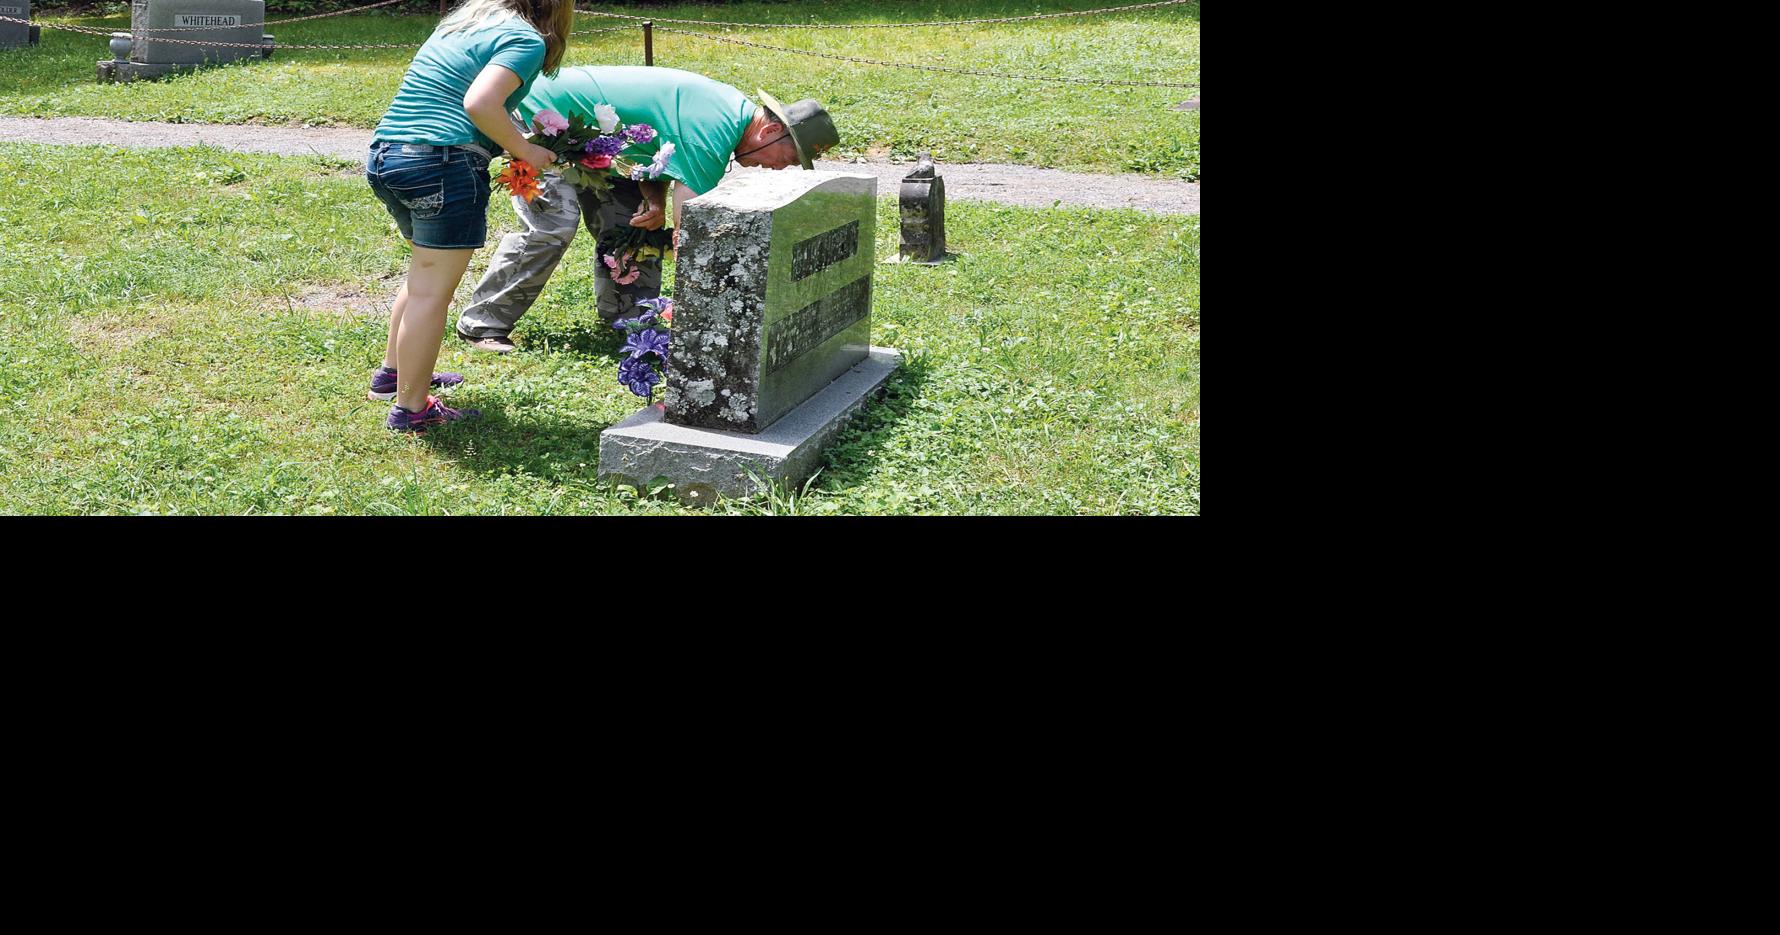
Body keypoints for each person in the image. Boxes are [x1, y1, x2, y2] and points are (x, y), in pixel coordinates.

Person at [455, 66, 839, 352]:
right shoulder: (715, 127)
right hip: (545, 117)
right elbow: (693, 228)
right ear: (771, 131)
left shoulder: (728, 119)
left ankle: (631, 320)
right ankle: (482, 324)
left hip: (601, 142)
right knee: (552, 224)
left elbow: (655, 160)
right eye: (789, 156)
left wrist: (655, 201)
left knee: (635, 223)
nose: (782, 166)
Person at [362, 0, 573, 431]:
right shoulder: (525, 37)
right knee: (430, 293)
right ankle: (411, 410)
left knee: (422, 278)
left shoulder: (465, 20)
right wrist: (527, 150)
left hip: (389, 155)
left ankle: (394, 376)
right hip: (442, 163)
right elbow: (479, 103)